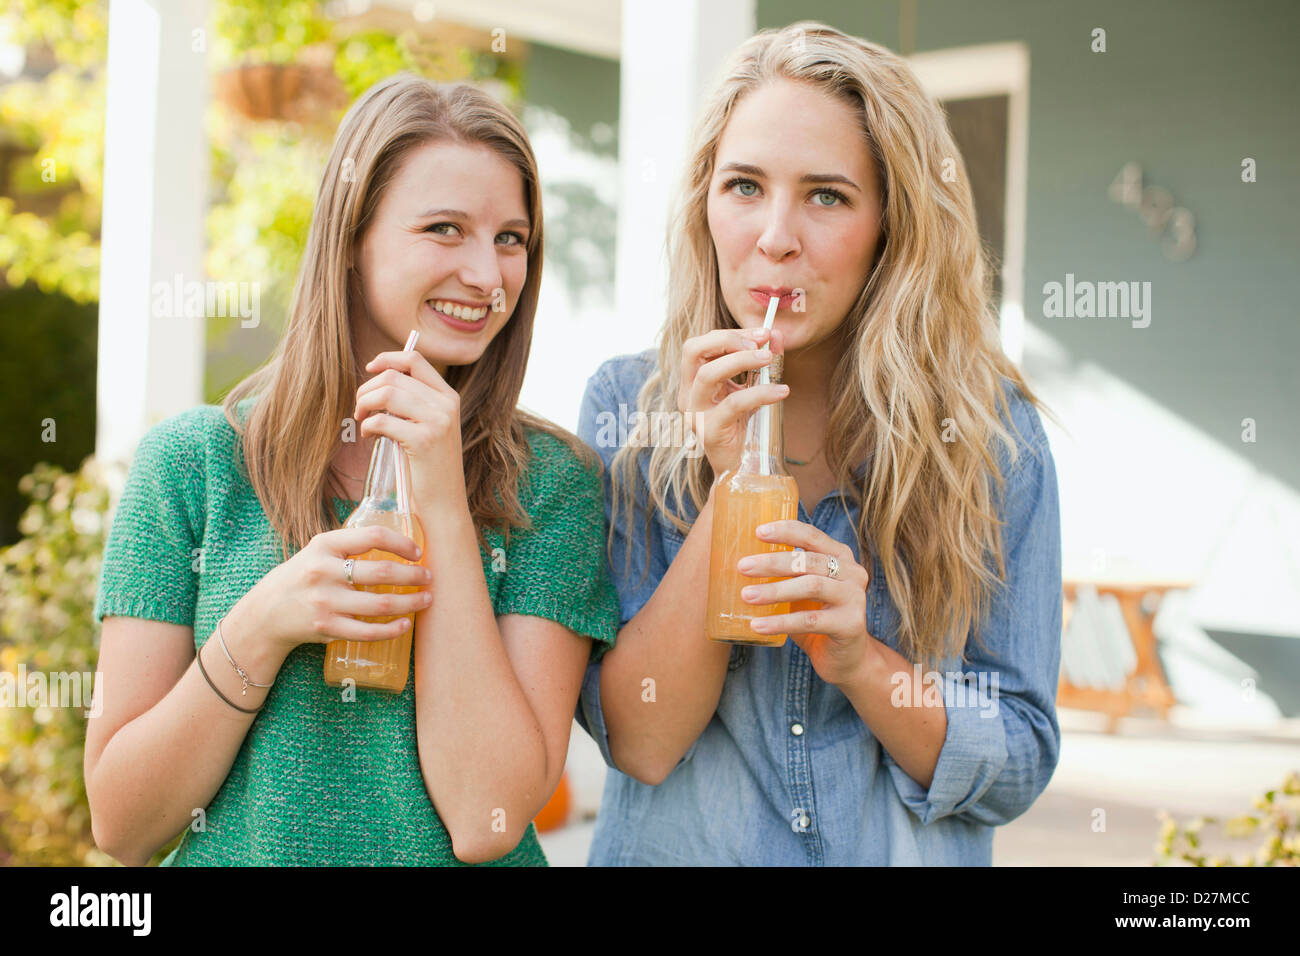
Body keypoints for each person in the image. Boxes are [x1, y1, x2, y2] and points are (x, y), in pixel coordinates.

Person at [86, 75, 620, 866]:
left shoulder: (552, 486)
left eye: (511, 238)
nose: (488, 274)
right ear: (351, 238)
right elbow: (123, 827)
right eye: (445, 229)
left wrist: (438, 496)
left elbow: (488, 820)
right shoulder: (191, 468)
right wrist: (262, 625)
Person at [576, 23, 1063, 865]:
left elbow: (1017, 759)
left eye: (826, 196)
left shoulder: (989, 436)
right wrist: (730, 490)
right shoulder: (632, 409)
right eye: (744, 186)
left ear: (891, 226)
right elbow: (639, 739)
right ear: (705, 204)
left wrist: (862, 662)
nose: (775, 236)